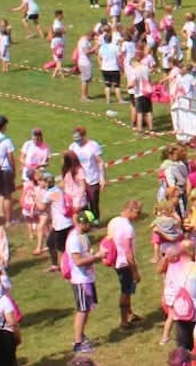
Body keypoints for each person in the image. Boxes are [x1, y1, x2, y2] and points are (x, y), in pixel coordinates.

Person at [66, 210, 101, 354]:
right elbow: (78, 261)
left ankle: (81, 335)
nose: (91, 227)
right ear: (82, 223)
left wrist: (93, 255)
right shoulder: (74, 239)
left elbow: (84, 255)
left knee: (86, 309)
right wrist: (96, 257)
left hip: (87, 278)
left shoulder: (83, 236)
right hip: (80, 280)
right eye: (89, 224)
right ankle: (78, 342)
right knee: (82, 310)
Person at [106, 200, 143, 330]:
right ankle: (124, 321)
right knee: (125, 291)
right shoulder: (127, 228)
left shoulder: (114, 221)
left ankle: (129, 313)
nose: (138, 216)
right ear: (131, 210)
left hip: (116, 260)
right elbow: (128, 251)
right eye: (138, 212)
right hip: (124, 263)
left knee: (127, 289)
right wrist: (135, 271)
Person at [69, 127, 105, 221]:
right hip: (79, 180)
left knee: (93, 202)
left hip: (92, 179)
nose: (77, 141)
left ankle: (95, 220)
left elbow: (100, 162)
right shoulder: (73, 147)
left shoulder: (93, 146)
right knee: (82, 203)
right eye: (75, 139)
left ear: (83, 136)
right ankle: (85, 221)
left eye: (78, 139)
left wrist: (102, 178)